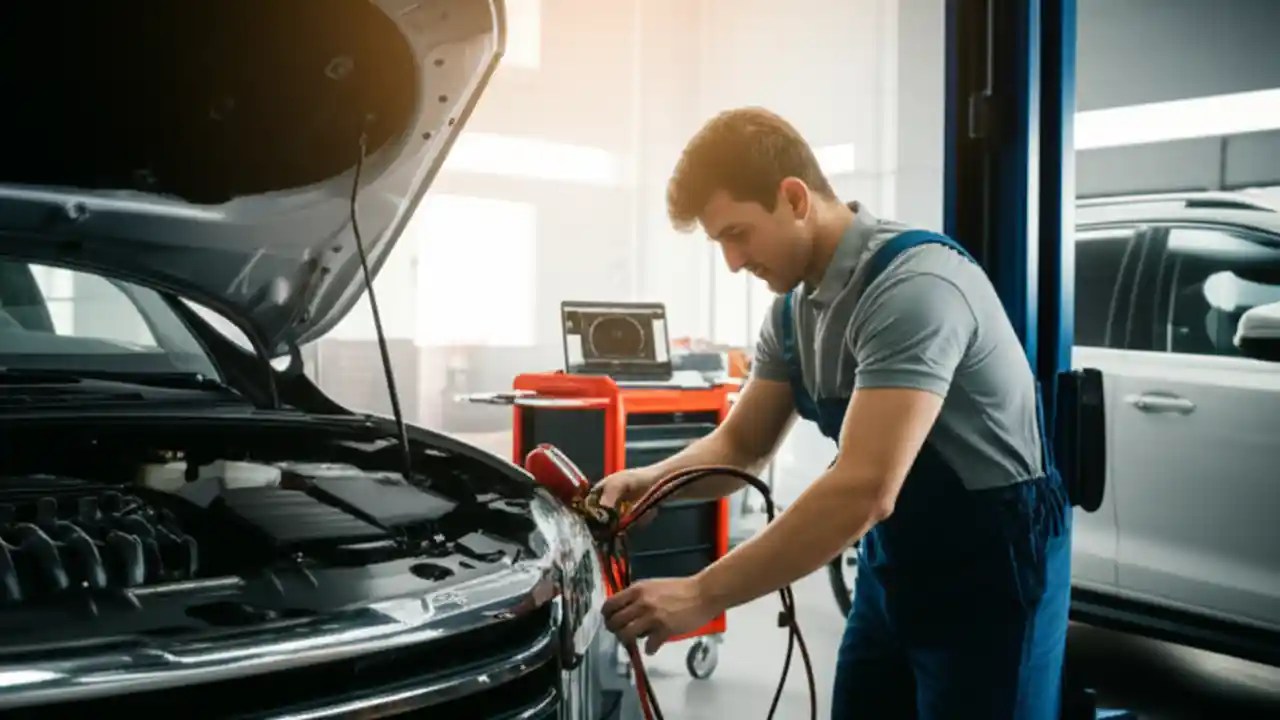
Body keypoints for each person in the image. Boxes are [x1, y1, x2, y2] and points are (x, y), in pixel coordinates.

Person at [596, 107, 1073, 719]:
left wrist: (701, 593)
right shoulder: (793, 314)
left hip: (994, 569)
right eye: (721, 243)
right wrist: (646, 484)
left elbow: (865, 488)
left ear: (794, 198)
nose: (733, 263)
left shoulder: (914, 287)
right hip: (894, 563)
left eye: (738, 234)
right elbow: (740, 447)